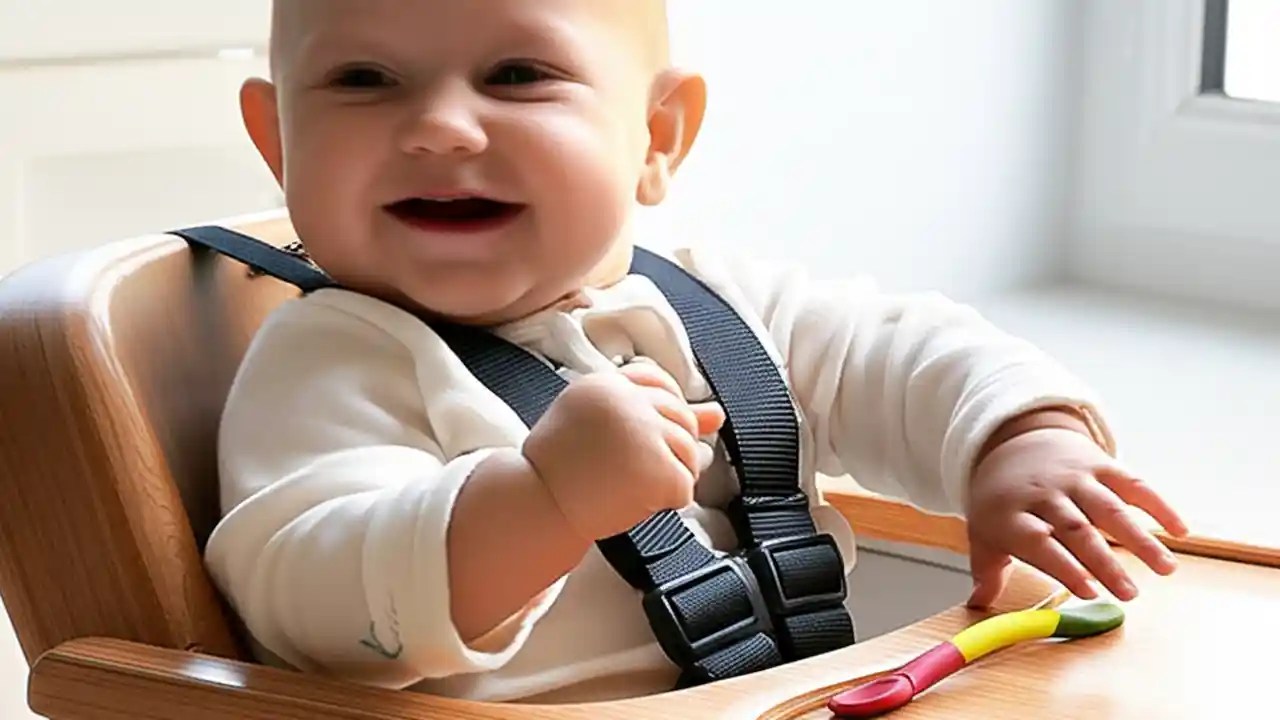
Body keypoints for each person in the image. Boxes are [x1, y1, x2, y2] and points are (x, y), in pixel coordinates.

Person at [203, 0, 1189, 704]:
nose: (437, 128)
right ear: (278, 139)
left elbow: (893, 354)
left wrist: (1019, 442)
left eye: (517, 75)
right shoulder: (329, 365)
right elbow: (321, 615)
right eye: (361, 80)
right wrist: (539, 505)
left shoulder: (714, 302)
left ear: (655, 135)